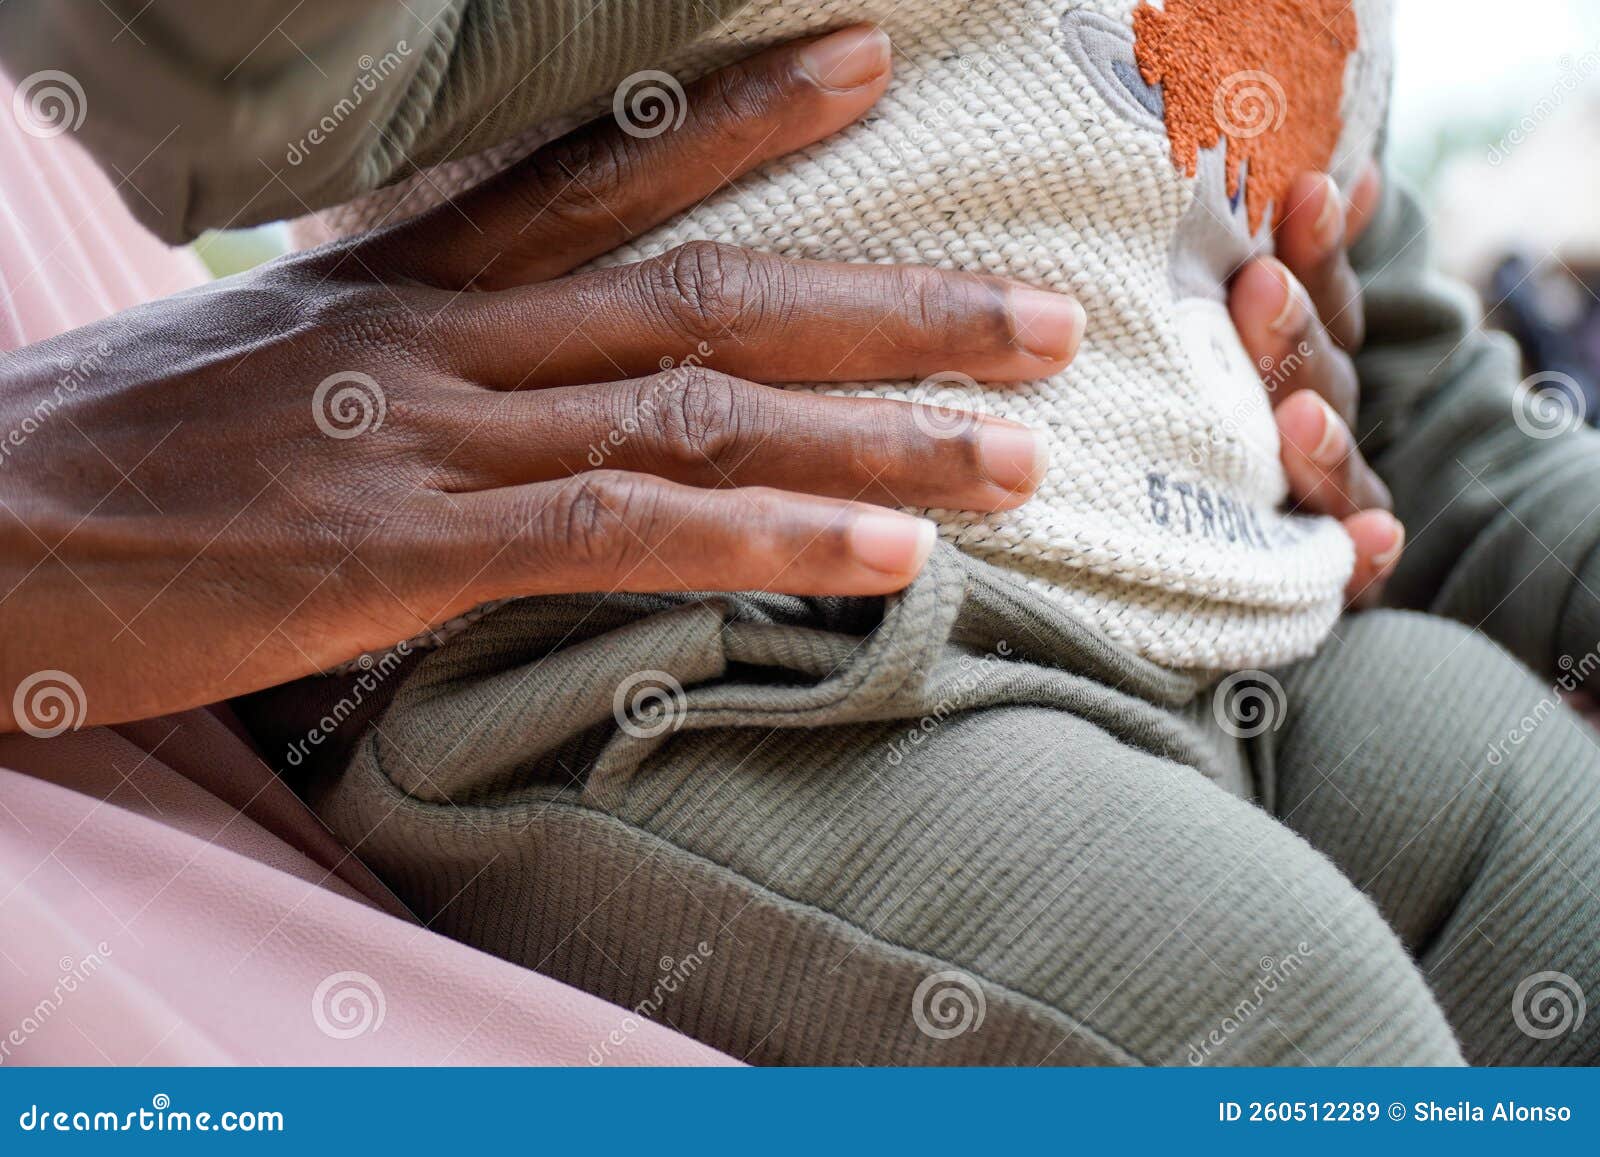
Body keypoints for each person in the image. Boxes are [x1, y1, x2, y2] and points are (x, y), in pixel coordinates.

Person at [2, 2, 1595, 1065]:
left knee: (1555, 870)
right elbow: (249, 80)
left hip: (1242, 647)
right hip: (715, 663)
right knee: (1291, 1041)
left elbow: (1407, 380)